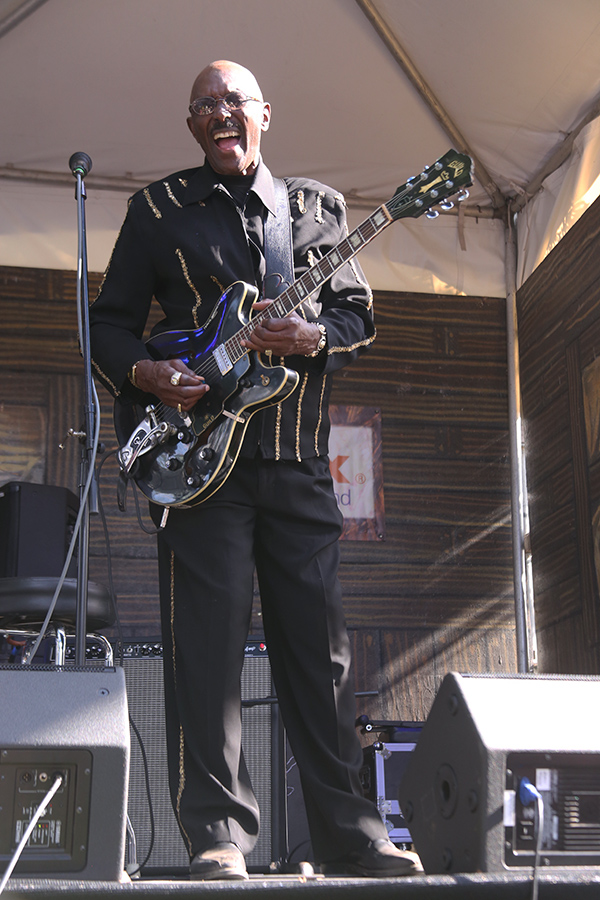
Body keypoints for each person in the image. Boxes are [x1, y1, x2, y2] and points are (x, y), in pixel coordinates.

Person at [89, 60, 421, 881]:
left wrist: (311, 338)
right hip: (200, 469)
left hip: (296, 460)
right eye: (204, 105)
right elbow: (110, 329)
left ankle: (349, 834)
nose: (220, 113)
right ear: (193, 126)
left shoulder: (315, 209)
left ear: (264, 113)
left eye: (233, 100)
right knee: (204, 655)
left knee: (322, 654)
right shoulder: (157, 210)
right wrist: (147, 376)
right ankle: (220, 838)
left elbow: (354, 317)